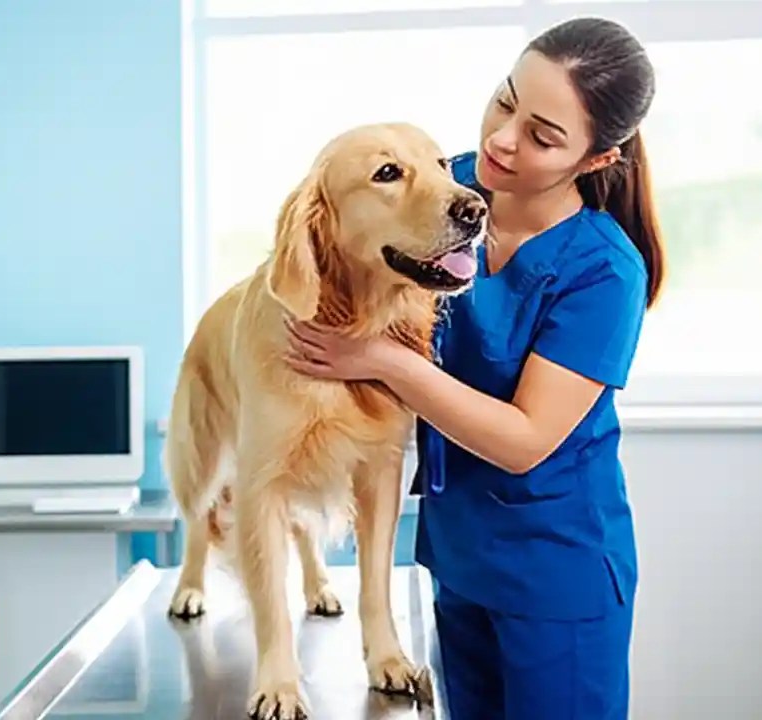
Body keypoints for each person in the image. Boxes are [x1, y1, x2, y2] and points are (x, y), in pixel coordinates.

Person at [283, 16, 663, 720]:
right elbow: (335, 248)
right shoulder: (444, 187)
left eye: (543, 136)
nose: (502, 138)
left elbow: (523, 440)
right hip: (459, 561)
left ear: (595, 159)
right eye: (506, 99)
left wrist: (378, 360)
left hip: (557, 576)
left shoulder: (602, 271)